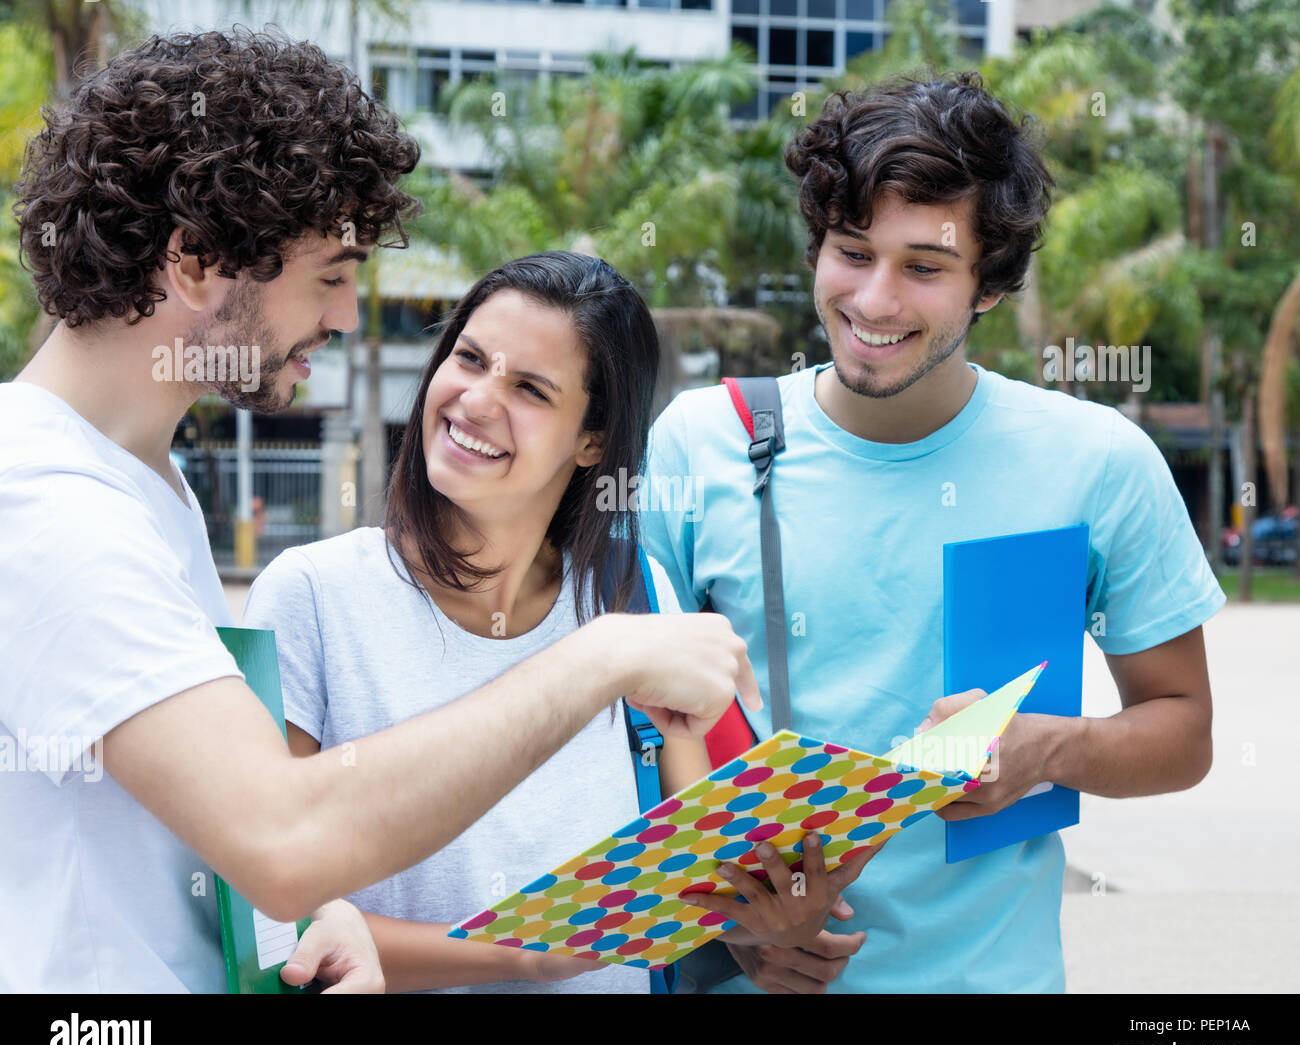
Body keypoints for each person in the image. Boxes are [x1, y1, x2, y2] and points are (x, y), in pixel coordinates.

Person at [0, 28, 758, 994]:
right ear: (196, 264)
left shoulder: (144, 490)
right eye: (330, 274)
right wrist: (600, 655)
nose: (350, 317)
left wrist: (332, 932)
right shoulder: (44, 503)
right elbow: (284, 832)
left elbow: (224, 871)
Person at [640, 72, 1224, 994]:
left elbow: (1183, 730)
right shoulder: (695, 442)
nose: (874, 300)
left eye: (923, 266)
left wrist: (1047, 748)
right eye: (851, 251)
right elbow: (630, 738)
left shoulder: (1097, 462)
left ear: (987, 284)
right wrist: (736, 928)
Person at [242, 251, 884, 993]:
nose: (477, 400)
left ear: (592, 442)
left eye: (530, 389)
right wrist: (524, 953)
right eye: (471, 358)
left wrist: (777, 912)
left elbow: (695, 885)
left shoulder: (633, 594)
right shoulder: (312, 595)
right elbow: (274, 913)